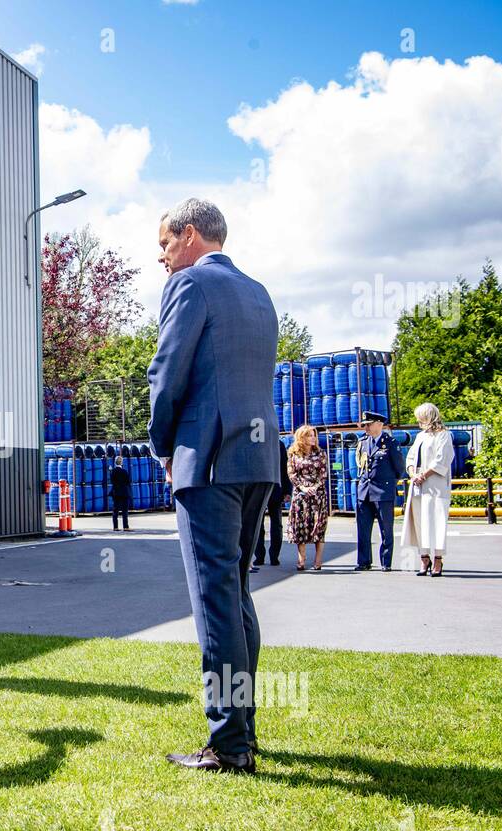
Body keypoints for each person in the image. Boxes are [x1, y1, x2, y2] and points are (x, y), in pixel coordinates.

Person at [147, 198, 278, 775]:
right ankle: (243, 730)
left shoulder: (189, 286)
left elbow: (166, 373)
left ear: (191, 234)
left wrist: (163, 447)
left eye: (165, 245)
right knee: (236, 593)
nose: (162, 258)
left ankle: (229, 745)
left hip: (209, 460)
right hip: (258, 460)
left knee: (213, 600)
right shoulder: (259, 293)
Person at [402, 402, 453, 577]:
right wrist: (412, 474)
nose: (418, 421)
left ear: (428, 417)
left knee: (437, 522)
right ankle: (424, 558)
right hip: (417, 486)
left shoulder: (444, 435)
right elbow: (410, 457)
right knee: (419, 523)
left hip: (436, 487)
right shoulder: (420, 436)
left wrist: (424, 474)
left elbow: (442, 460)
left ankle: (438, 558)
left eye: (420, 418)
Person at [354, 410, 405, 572]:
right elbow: (361, 467)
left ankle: (386, 562)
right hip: (365, 492)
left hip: (383, 492)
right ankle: (363, 561)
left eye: (369, 424)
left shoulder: (390, 443)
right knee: (363, 530)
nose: (366, 428)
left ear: (379, 424)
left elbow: (399, 469)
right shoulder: (363, 442)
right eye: (365, 425)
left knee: (386, 529)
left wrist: (388, 485)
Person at [286, 425, 329, 570]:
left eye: (314, 435)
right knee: (301, 526)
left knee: (319, 526)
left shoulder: (321, 453)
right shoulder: (293, 454)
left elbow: (323, 474)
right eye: (310, 435)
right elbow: (292, 473)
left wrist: (314, 487)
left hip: (318, 494)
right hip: (300, 494)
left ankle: (318, 560)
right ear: (301, 437)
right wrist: (303, 487)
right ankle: (301, 559)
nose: (313, 438)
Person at [252, 436, 292, 568]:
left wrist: (287, 491)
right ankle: (260, 556)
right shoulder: (255, 444)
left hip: (275, 489)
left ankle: (274, 556)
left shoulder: (278, 444)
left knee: (276, 524)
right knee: (258, 525)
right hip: (259, 489)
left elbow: (284, 468)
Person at [109, 456, 132, 531]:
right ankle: (126, 526)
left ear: (115, 462)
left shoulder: (113, 471)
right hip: (124, 492)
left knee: (115, 511)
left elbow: (112, 481)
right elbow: (128, 482)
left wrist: (110, 471)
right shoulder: (124, 471)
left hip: (116, 493)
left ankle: (115, 527)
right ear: (121, 463)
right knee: (125, 511)